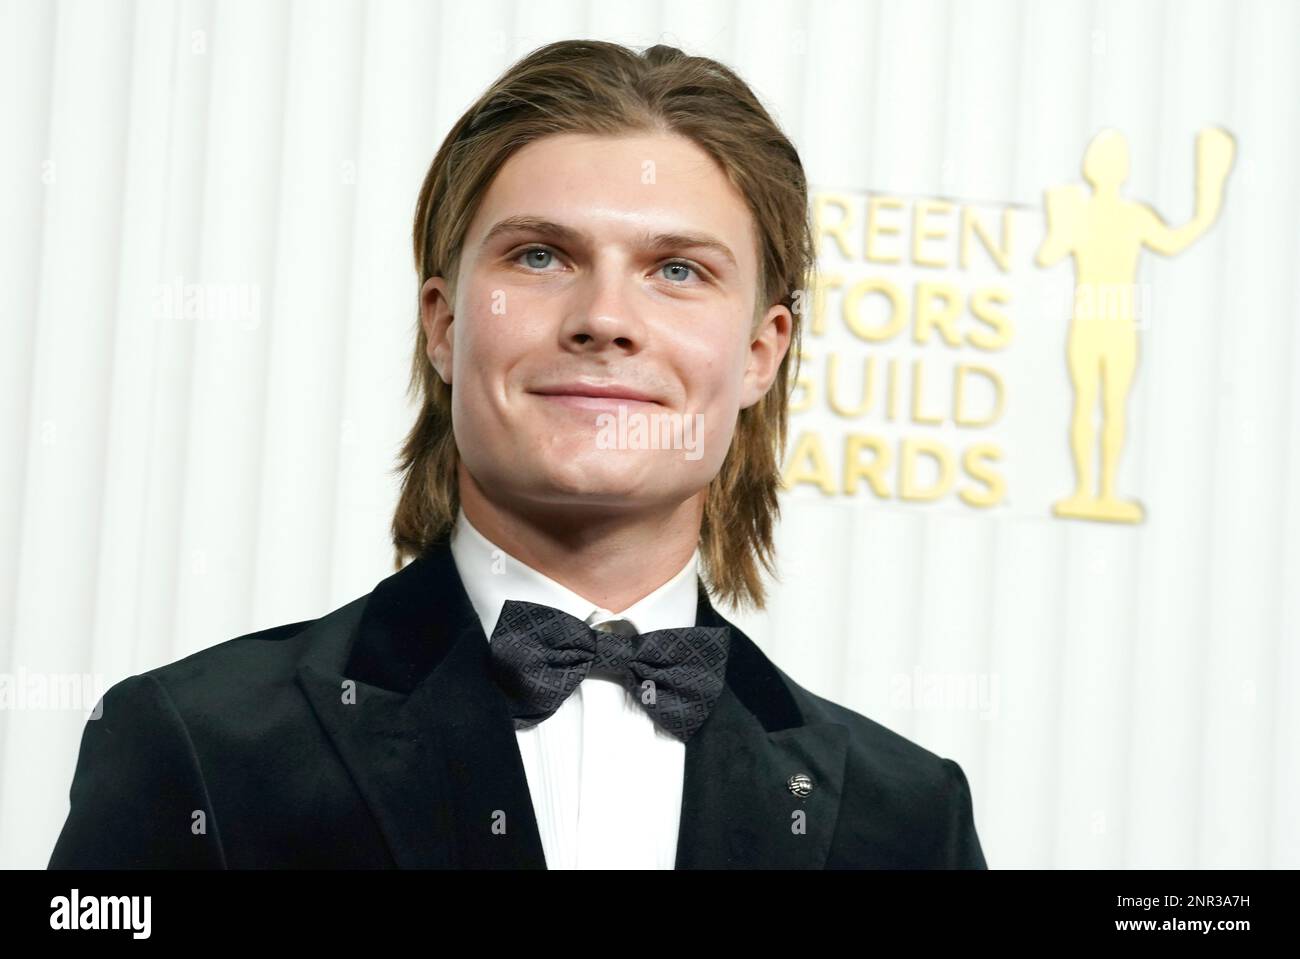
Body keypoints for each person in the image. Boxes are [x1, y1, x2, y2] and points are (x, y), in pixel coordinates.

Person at [48, 39, 987, 869]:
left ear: (759, 352)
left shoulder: (908, 817)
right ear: (445, 324)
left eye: (677, 270)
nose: (605, 320)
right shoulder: (196, 747)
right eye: (541, 256)